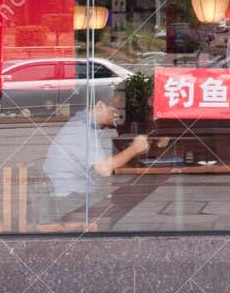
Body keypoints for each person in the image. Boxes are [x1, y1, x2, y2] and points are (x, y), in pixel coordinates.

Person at [40, 96, 152, 227]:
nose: (117, 113)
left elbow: (107, 160)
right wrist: (134, 149)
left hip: (75, 194)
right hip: (70, 199)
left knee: (126, 202)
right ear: (99, 105)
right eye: (113, 108)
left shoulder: (86, 126)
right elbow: (104, 169)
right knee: (127, 209)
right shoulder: (80, 129)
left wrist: (133, 150)